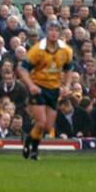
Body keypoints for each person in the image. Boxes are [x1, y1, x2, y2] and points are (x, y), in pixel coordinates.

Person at [18, 19, 74, 160]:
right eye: (51, 30)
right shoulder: (37, 50)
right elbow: (23, 69)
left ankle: (28, 140)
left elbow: (69, 69)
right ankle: (35, 152)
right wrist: (31, 85)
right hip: (39, 87)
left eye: (56, 30)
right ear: (46, 32)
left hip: (54, 89)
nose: (54, 33)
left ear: (60, 33)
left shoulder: (66, 50)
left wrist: (66, 86)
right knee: (41, 122)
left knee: (48, 127)